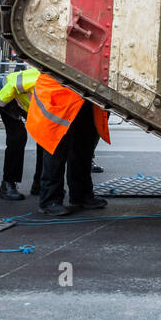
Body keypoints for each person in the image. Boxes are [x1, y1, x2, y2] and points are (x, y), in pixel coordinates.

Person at [24, 70, 111, 216]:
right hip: (61, 100)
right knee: (56, 153)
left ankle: (81, 195)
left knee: (82, 151)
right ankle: (50, 200)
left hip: (81, 98)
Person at [0, 51, 46, 201]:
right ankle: (7, 185)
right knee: (18, 137)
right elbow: (10, 86)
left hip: (20, 102)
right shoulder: (40, 77)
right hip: (4, 93)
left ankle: (40, 184)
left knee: (44, 140)